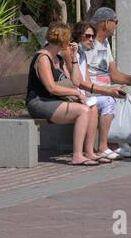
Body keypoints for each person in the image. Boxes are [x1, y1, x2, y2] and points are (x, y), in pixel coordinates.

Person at [26, 24, 105, 166]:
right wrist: (75, 93)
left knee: (91, 106)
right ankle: (77, 155)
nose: (70, 42)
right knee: (83, 110)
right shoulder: (43, 58)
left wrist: (74, 58)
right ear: (61, 39)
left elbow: (75, 81)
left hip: (53, 101)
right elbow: (51, 88)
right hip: (39, 102)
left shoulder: (58, 58)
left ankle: (89, 151)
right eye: (68, 39)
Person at [87, 7, 131, 158]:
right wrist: (105, 87)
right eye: (116, 21)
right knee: (126, 93)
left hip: (107, 84)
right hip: (95, 87)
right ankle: (115, 140)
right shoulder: (88, 41)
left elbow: (114, 73)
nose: (117, 25)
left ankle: (129, 135)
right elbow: (82, 74)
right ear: (106, 23)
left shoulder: (105, 43)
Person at [67, 21, 128, 160]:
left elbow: (87, 82)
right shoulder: (72, 54)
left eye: (92, 36)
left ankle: (119, 142)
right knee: (105, 101)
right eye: (87, 36)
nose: (91, 39)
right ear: (77, 36)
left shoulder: (82, 54)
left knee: (119, 97)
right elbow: (78, 82)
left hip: (84, 93)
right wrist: (106, 91)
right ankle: (101, 147)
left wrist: (107, 90)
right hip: (73, 95)